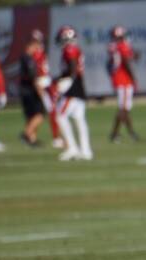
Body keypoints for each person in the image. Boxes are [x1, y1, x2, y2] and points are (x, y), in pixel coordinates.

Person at [55, 25, 92, 161]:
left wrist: (63, 80)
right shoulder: (75, 49)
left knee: (60, 116)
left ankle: (72, 148)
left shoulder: (69, 49)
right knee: (79, 119)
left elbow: (72, 68)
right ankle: (86, 151)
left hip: (73, 87)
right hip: (79, 85)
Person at [108, 25, 140, 142]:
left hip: (119, 79)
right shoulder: (122, 46)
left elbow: (131, 57)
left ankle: (124, 133)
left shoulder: (114, 47)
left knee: (124, 109)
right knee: (124, 109)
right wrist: (133, 79)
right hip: (124, 80)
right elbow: (127, 62)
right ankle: (117, 134)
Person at [19, 31, 47, 146]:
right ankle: (27, 133)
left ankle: (32, 139)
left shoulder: (24, 57)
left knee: (31, 115)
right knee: (40, 114)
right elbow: (32, 76)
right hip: (30, 90)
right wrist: (39, 89)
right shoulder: (29, 59)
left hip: (25, 89)